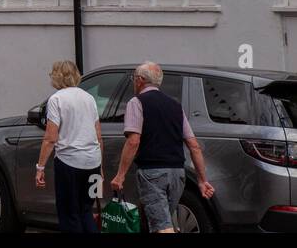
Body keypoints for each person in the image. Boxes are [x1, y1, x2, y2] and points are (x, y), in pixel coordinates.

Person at [111, 62, 215, 233]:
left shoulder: (136, 102)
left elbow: (133, 141)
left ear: (139, 80)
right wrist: (202, 180)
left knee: (163, 227)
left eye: (133, 79)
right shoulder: (175, 106)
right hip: (177, 175)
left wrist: (120, 176)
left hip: (152, 174)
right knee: (159, 221)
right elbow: (194, 146)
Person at [34, 60, 102, 233]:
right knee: (86, 211)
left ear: (57, 77)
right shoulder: (89, 98)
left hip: (69, 163)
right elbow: (98, 136)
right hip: (93, 162)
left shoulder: (56, 99)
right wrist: (100, 168)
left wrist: (40, 167)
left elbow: (50, 137)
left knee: (69, 213)